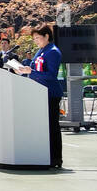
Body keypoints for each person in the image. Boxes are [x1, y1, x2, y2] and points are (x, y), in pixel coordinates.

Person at [20, 24, 65, 170]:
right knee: (44, 127)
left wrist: (30, 72)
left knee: (52, 126)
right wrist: (24, 69)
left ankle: (56, 157)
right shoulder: (41, 50)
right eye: (34, 38)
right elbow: (34, 67)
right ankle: (46, 155)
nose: (36, 41)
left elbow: (51, 75)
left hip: (50, 94)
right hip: (39, 93)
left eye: (38, 38)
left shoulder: (53, 52)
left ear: (47, 36)